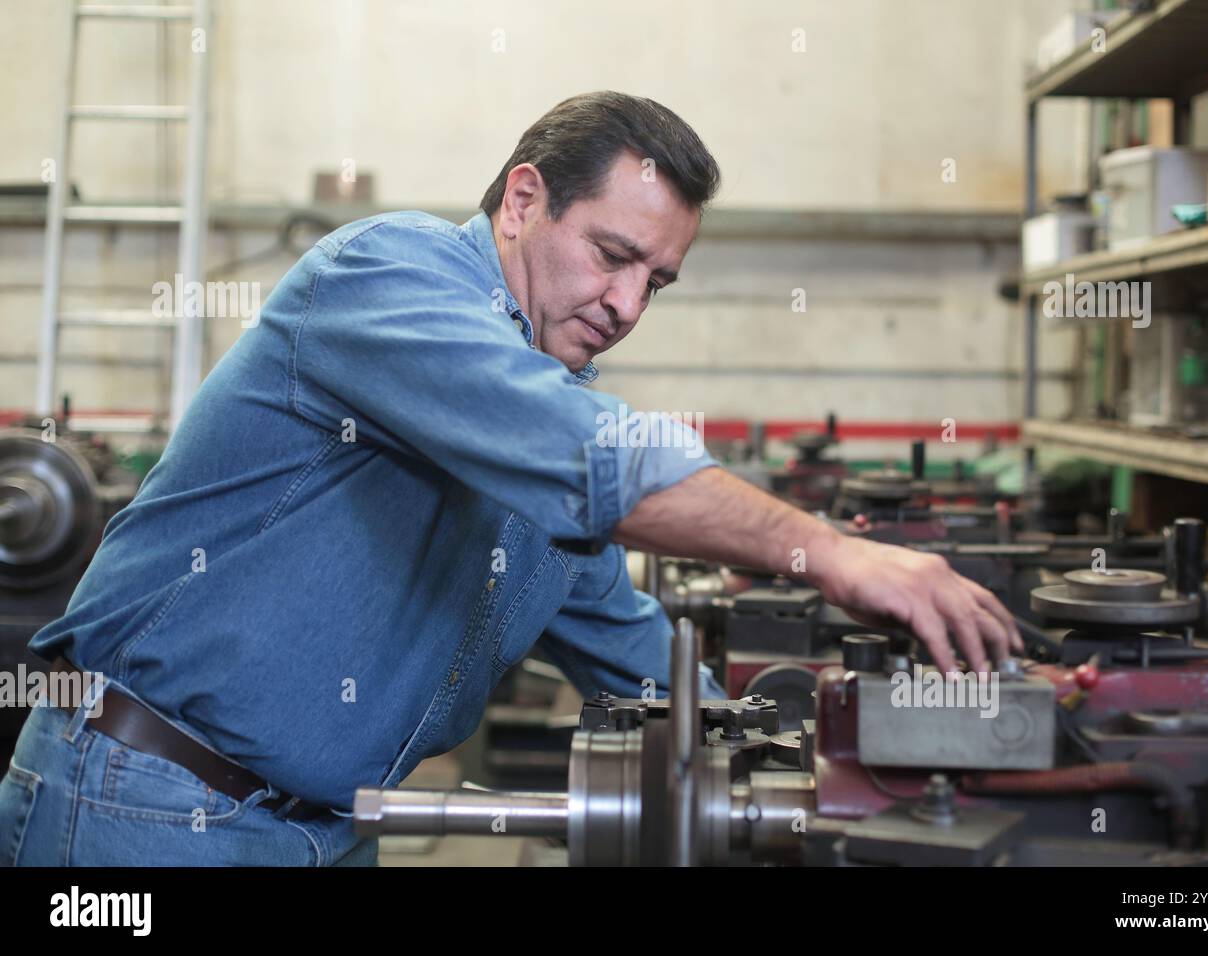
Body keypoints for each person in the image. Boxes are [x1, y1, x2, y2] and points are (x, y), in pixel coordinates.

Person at [0, 91, 1018, 866]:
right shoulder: (385, 278)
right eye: (612, 255)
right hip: (147, 807)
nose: (625, 304)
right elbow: (587, 457)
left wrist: (807, 757)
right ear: (524, 200)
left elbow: (618, 633)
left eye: (653, 281)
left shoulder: (541, 396)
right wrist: (832, 553)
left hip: (322, 828)